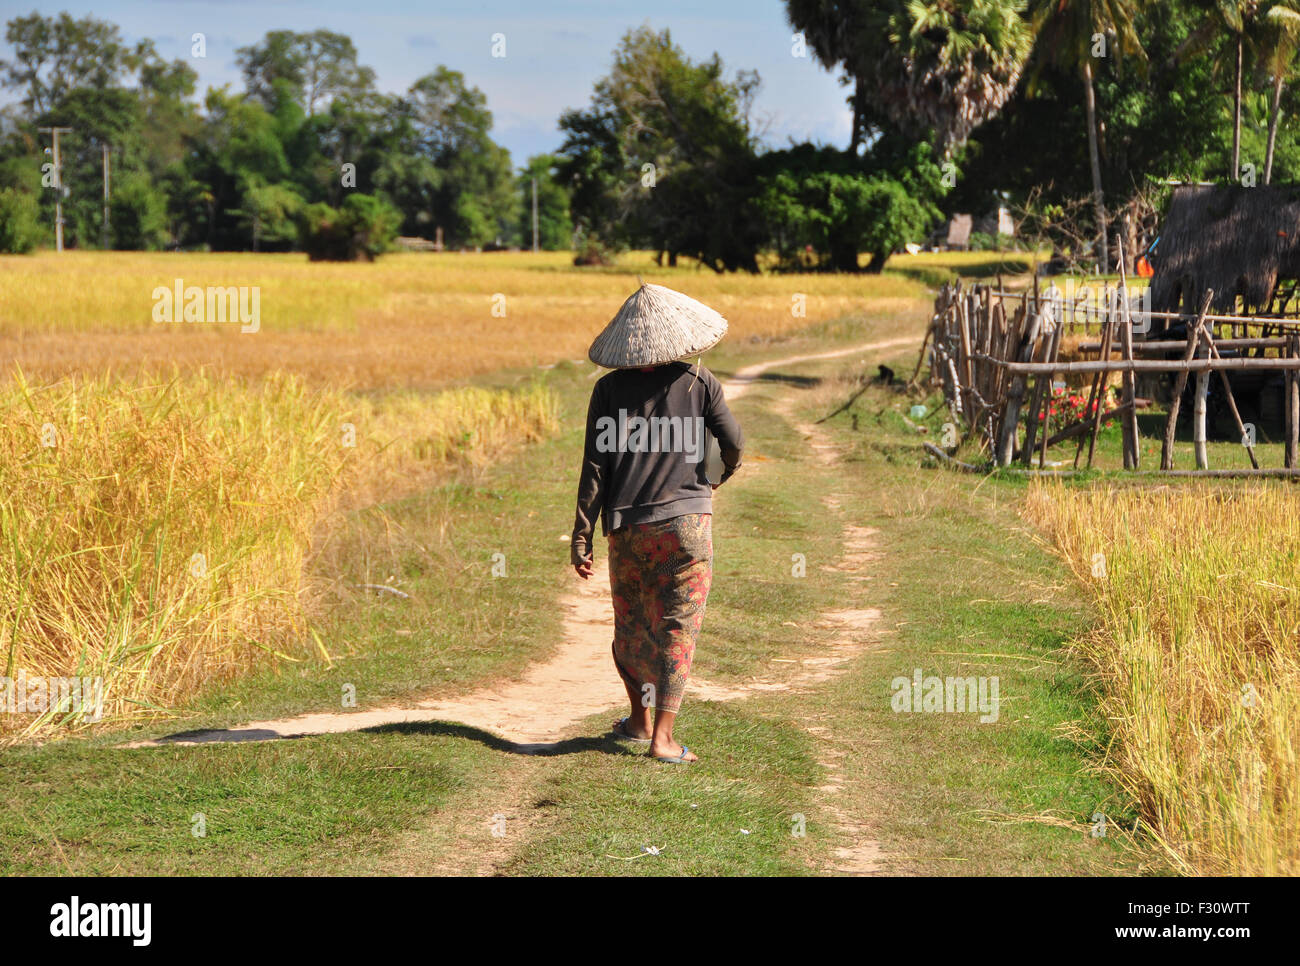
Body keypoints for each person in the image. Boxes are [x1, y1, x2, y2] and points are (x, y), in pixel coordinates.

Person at [571, 281, 744, 763]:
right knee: (677, 625)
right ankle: (661, 739)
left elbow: (595, 468)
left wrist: (582, 534)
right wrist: (713, 479)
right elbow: (732, 443)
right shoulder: (698, 382)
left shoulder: (607, 391)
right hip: (688, 525)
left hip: (627, 527)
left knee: (632, 625)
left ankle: (638, 721)